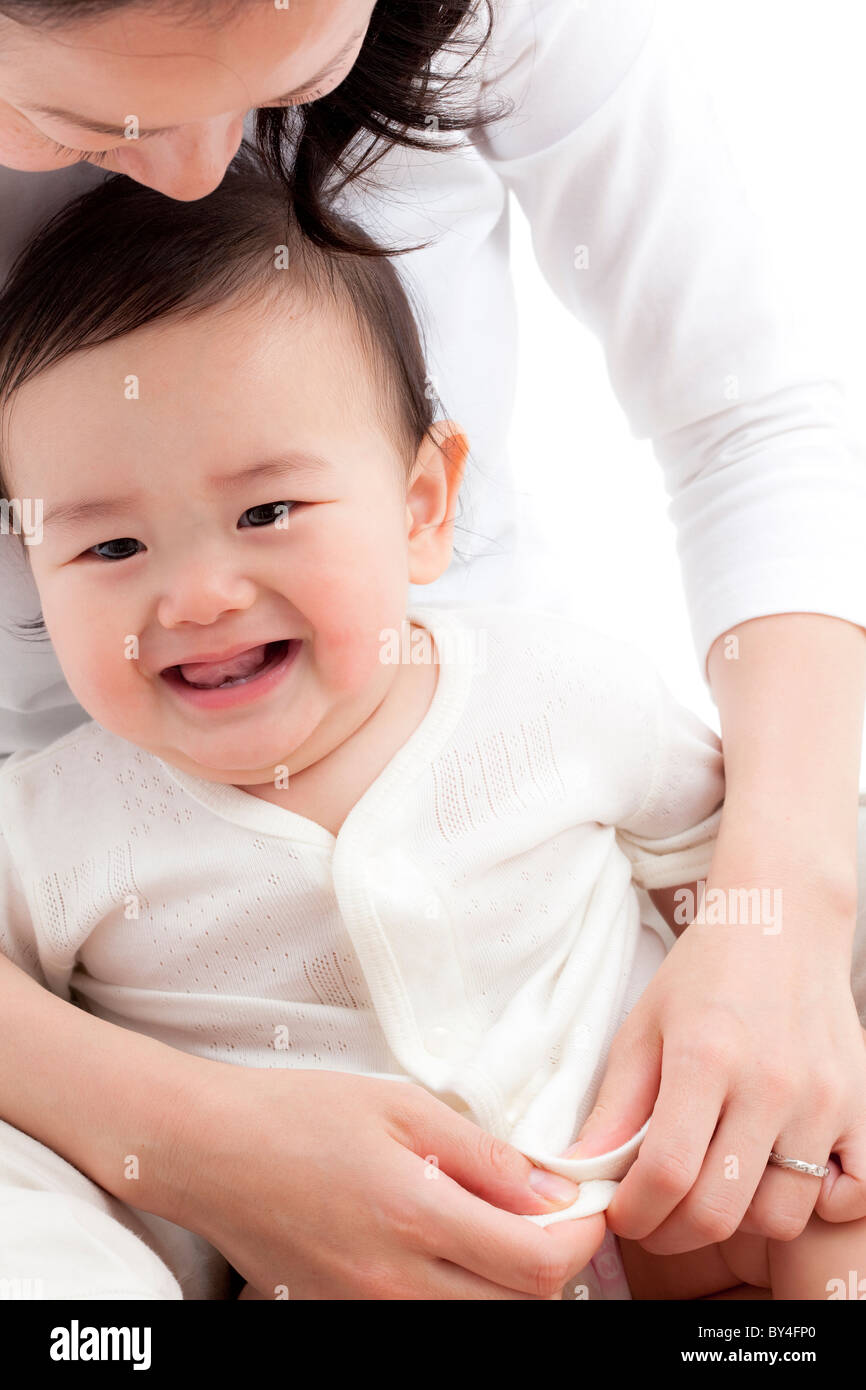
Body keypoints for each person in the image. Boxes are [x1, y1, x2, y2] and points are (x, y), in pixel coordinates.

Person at [0, 0, 864, 1298]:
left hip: (620, 1175)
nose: (197, 172)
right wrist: (180, 1146)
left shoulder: (553, 695)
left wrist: (778, 970)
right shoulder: (53, 820)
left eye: (268, 511)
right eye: (110, 549)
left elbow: (752, 420)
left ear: (420, 508)